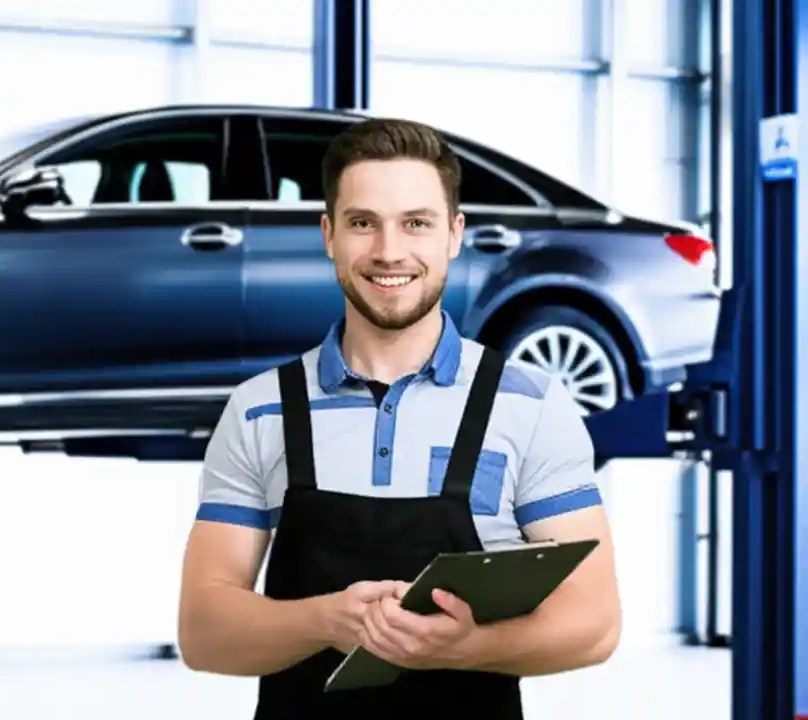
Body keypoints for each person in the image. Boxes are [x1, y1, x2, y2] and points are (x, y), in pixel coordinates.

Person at [175, 117, 622, 719]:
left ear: (453, 235)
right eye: (363, 223)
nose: (389, 251)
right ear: (329, 234)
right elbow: (205, 632)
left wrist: (471, 647)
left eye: (416, 223)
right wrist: (324, 620)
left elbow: (595, 623)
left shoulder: (531, 405)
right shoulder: (261, 408)